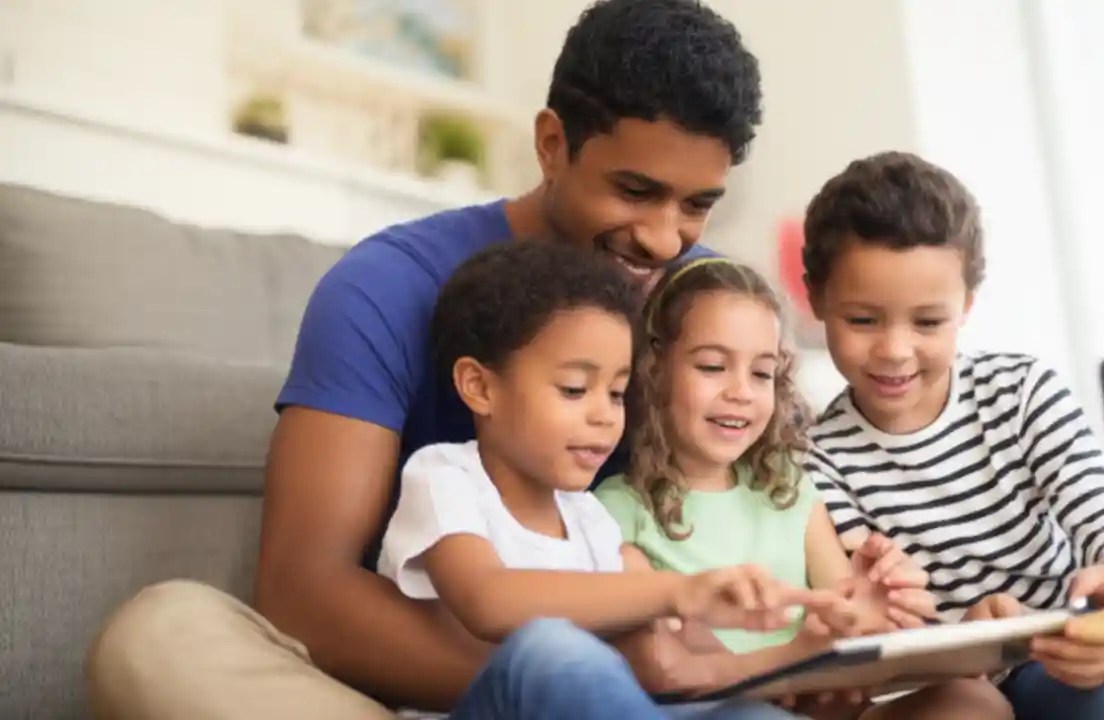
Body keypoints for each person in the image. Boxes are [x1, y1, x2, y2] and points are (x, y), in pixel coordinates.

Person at [85, 1, 768, 717]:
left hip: (660, 689)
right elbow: (303, 596)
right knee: (160, 634)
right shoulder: (387, 286)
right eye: (634, 191)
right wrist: (566, 687)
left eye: (697, 206)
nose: (664, 239)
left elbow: (775, 509)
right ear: (552, 144)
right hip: (433, 692)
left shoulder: (703, 309)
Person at [801, 150, 1104, 718]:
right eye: (863, 320)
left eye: (928, 321)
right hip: (1038, 666)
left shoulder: (1020, 389)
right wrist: (974, 642)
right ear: (817, 299)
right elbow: (888, 640)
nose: (895, 350)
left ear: (965, 306)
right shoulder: (820, 464)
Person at [380, 241, 823, 719]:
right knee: (550, 649)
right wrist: (679, 590)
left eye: (616, 393)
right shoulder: (446, 475)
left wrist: (810, 648)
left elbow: (686, 669)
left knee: (750, 716)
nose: (606, 416)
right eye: (574, 389)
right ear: (480, 386)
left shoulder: (592, 520)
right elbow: (488, 600)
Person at [595, 257, 1014, 720]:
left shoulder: (788, 487)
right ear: (653, 371)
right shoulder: (615, 513)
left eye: (761, 373)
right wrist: (803, 661)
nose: (741, 391)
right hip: (735, 711)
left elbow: (846, 625)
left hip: (829, 706)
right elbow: (684, 673)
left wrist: (872, 612)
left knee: (973, 703)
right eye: (713, 366)